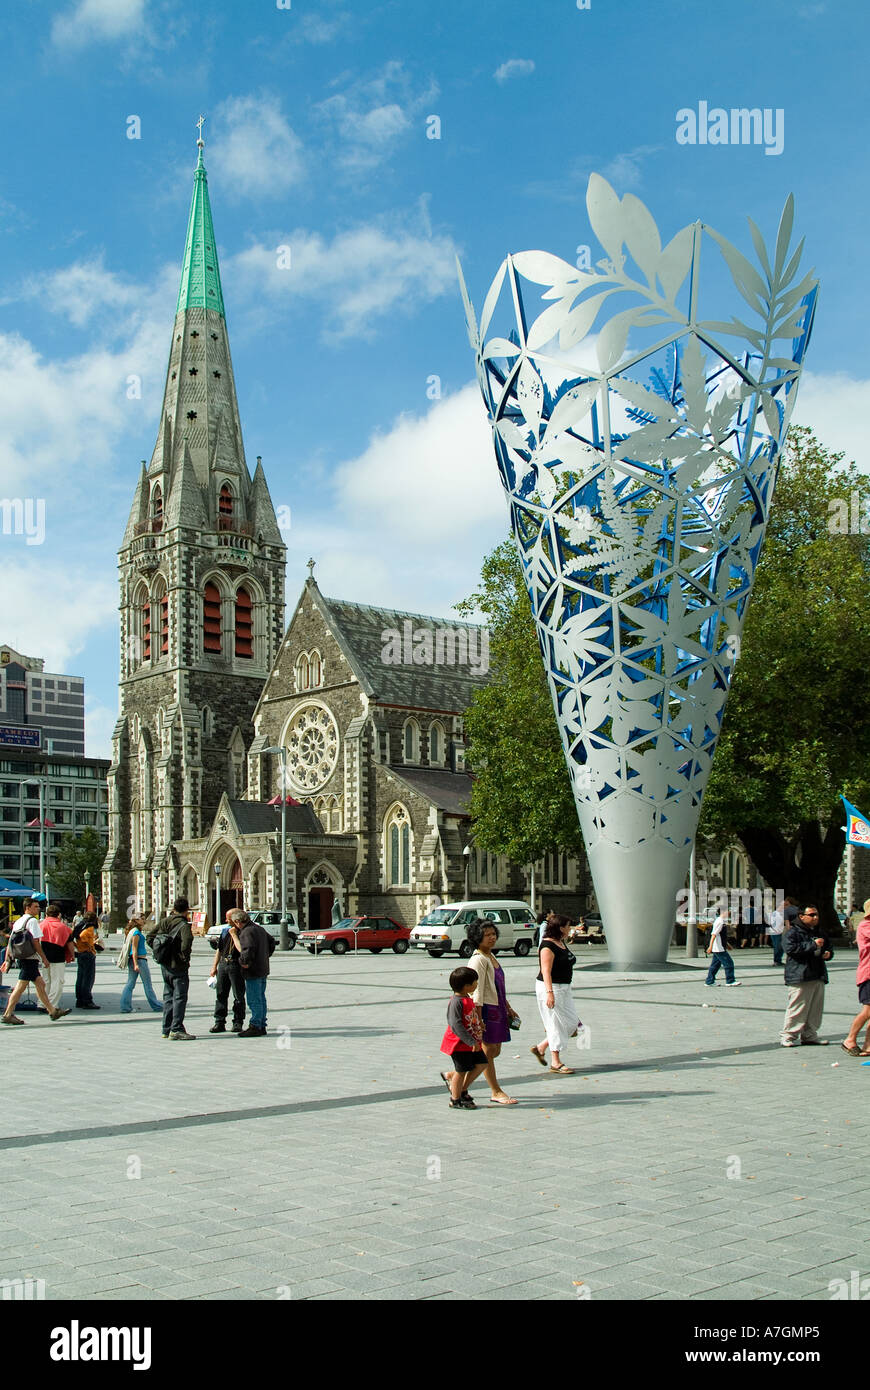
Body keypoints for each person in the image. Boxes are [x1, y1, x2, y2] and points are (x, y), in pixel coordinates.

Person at [467, 918, 519, 1105]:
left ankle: (455, 1076)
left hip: (497, 1007)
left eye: (493, 934)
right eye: (487, 935)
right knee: (488, 1052)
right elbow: (477, 991)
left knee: (494, 1051)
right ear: (477, 938)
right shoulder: (478, 960)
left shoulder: (491, 956)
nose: (492, 937)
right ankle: (495, 1091)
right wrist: (479, 1019)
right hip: (486, 1009)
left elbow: (497, 986)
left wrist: (508, 1007)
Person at [0, 899, 70, 1024]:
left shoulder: (19, 921)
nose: (38, 909)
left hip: (22, 957)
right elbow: (36, 942)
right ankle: (8, 1014)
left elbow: (11, 941)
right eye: (36, 907)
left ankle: (52, 1011)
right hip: (30, 958)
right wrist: (44, 958)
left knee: (41, 985)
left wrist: (7, 959)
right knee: (20, 987)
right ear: (28, 907)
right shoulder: (32, 921)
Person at [531, 914, 580, 1073]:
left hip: (564, 987)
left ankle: (541, 1047)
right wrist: (550, 993)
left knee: (573, 1024)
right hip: (551, 988)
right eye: (567, 926)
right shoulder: (547, 946)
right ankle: (556, 1062)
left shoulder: (560, 942)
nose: (570, 929)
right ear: (560, 928)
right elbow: (546, 971)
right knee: (555, 1024)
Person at [780, 903, 832, 1047]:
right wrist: (813, 945)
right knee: (798, 1007)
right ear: (802, 916)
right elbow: (790, 949)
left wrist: (828, 953)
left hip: (817, 973)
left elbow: (828, 946)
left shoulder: (819, 931)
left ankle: (810, 1034)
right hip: (800, 975)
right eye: (811, 915)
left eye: (817, 915)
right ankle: (788, 1035)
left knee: (815, 1008)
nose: (815, 918)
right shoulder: (793, 932)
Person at [439, 965, 487, 1109]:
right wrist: (470, 1041)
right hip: (459, 1044)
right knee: (461, 1071)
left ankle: (462, 1089)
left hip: (472, 1042)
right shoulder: (456, 1002)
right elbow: (456, 1024)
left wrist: (480, 1025)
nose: (476, 984)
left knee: (482, 1064)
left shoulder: (467, 998)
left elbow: (470, 1018)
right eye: (474, 982)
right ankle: (455, 1099)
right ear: (466, 986)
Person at [147, 897, 195, 1040]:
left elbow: (149, 937)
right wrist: (183, 957)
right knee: (179, 997)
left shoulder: (165, 921)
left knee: (168, 997)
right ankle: (176, 1029)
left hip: (165, 965)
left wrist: (160, 953)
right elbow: (186, 944)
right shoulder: (184, 925)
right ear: (187, 910)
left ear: (174, 908)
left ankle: (166, 1029)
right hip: (178, 967)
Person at [227, 908, 271, 1037]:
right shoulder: (259, 928)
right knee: (261, 998)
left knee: (254, 999)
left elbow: (246, 950)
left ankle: (255, 1025)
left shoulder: (247, 932)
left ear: (238, 922)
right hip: (262, 968)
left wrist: (244, 962)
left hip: (253, 970)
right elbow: (271, 942)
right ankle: (262, 1024)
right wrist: (264, 956)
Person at [208, 911, 246, 1033]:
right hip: (224, 964)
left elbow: (242, 950)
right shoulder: (225, 931)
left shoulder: (243, 932)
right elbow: (219, 950)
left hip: (236, 964)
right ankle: (219, 1022)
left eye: (228, 918)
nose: (226, 920)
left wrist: (234, 935)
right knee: (221, 994)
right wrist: (214, 966)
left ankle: (238, 1022)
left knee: (238, 995)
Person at [119, 917, 162, 1014]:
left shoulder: (135, 932)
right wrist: (136, 964)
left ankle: (125, 1006)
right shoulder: (136, 933)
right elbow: (134, 950)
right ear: (136, 921)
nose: (143, 920)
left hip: (137, 960)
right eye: (141, 918)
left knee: (130, 983)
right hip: (140, 960)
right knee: (147, 984)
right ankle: (156, 1005)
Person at [39, 902, 74, 1010]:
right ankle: (52, 1004)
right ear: (58, 915)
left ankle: (41, 1003)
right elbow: (70, 944)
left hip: (44, 956)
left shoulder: (41, 925)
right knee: (57, 981)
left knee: (45, 981)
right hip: (58, 957)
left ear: (47, 914)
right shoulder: (64, 928)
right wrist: (72, 955)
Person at [704, 908, 740, 986]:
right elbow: (714, 935)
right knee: (729, 963)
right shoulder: (719, 921)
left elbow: (721, 936)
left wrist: (727, 945)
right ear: (723, 912)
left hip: (719, 947)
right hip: (718, 948)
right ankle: (730, 981)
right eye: (728, 911)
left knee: (715, 965)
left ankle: (709, 981)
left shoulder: (721, 921)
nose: (729, 912)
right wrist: (710, 947)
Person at [74, 912, 100, 1010]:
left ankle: (79, 999)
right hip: (88, 954)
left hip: (81, 953)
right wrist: (90, 946)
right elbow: (83, 936)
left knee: (80, 977)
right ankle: (87, 1000)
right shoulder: (89, 927)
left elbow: (74, 936)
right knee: (88, 978)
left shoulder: (80, 926)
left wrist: (77, 946)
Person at [767, 896, 794, 967]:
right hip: (776, 932)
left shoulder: (782, 913)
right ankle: (776, 961)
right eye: (784, 905)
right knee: (777, 946)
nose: (785, 907)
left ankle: (778, 960)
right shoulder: (776, 913)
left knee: (780, 947)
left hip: (779, 932)